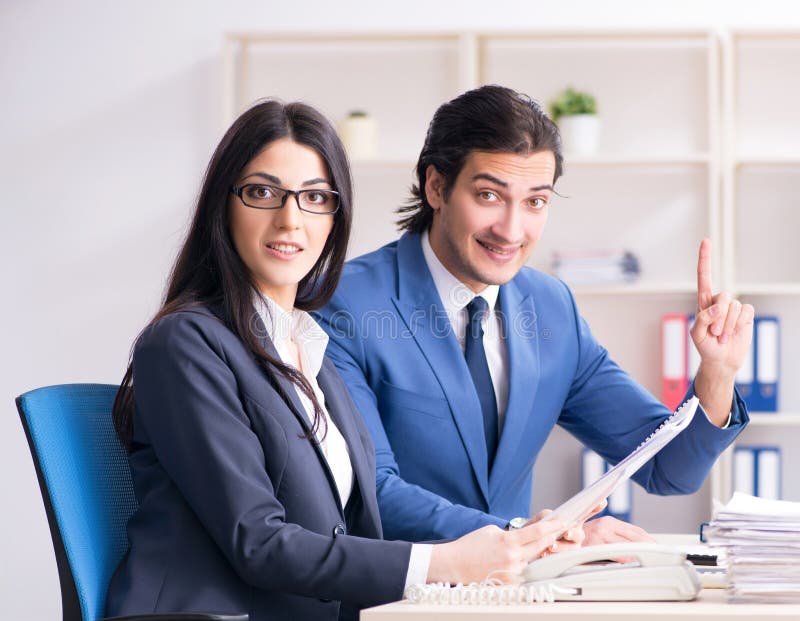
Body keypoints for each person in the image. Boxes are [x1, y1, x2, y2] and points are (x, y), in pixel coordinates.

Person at [104, 100, 575, 621]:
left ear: (336, 216)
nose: (290, 220)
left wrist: (523, 541)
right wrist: (444, 562)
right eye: (263, 193)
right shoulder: (185, 344)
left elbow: (357, 524)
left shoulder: (308, 348)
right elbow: (258, 542)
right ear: (224, 204)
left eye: (314, 198)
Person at [314, 84, 754, 545]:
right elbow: (371, 492)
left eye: (535, 202)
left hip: (511, 602)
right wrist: (532, 537)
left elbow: (669, 469)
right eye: (488, 196)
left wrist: (718, 372)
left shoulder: (551, 307)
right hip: (393, 603)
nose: (511, 230)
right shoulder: (343, 303)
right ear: (436, 186)